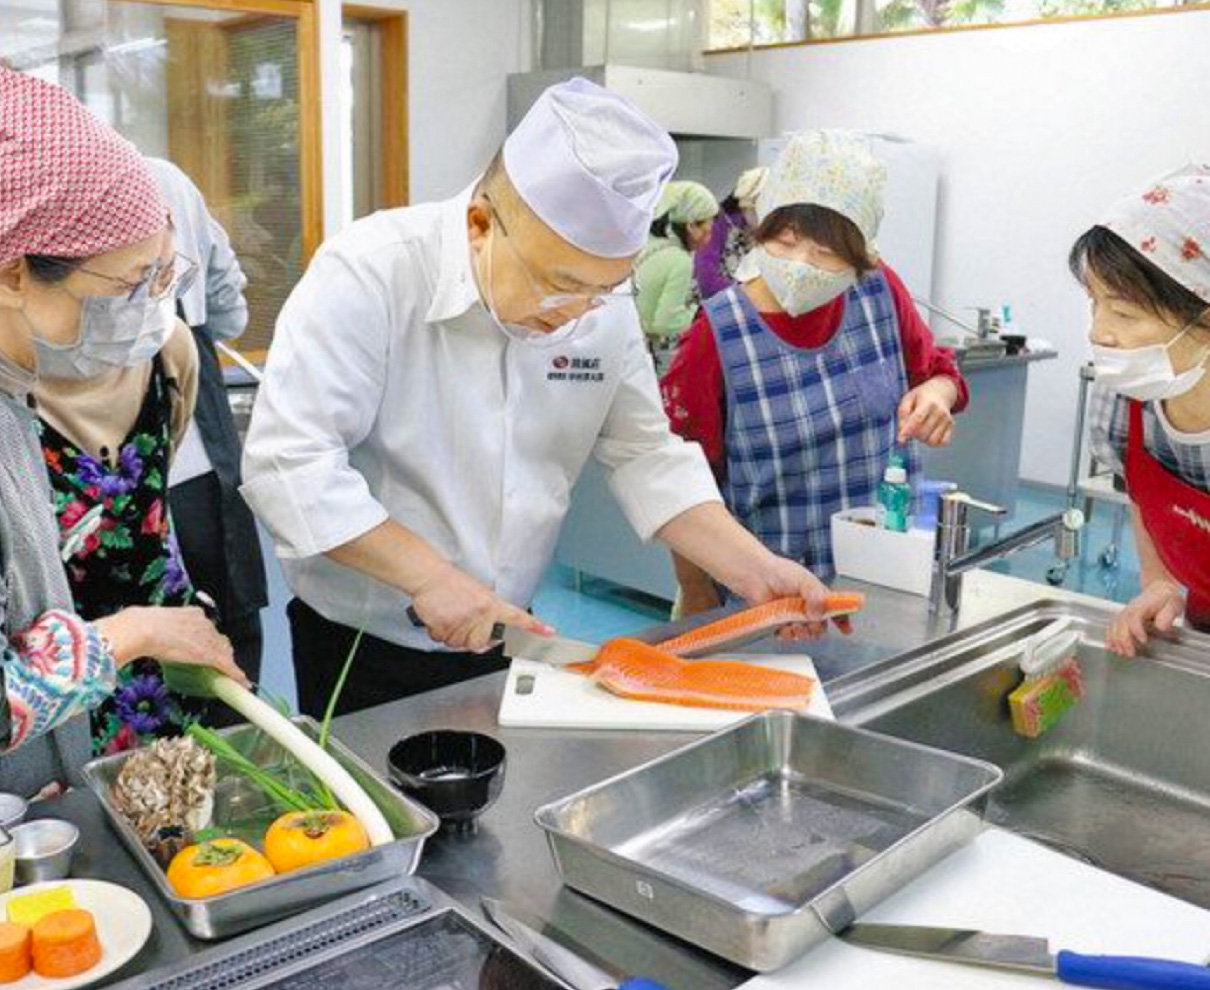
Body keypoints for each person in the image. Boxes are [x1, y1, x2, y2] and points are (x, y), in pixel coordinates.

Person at [242, 78, 841, 719]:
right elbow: (290, 464)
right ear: (480, 225)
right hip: (363, 642)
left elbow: (645, 454)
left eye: (602, 290)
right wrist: (428, 576)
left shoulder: (600, 305)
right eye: (559, 283)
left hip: (506, 629)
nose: (576, 313)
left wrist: (756, 569)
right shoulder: (372, 272)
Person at [0, 68, 242, 792]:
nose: (148, 311)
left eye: (163, 276)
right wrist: (134, 632)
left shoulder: (18, 392)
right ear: (13, 275)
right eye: (130, 285)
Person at [661, 131, 968, 615]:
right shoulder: (717, 335)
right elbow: (682, 480)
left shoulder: (878, 291)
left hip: (885, 575)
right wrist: (696, 590)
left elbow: (937, 371)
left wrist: (937, 393)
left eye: (826, 253)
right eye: (785, 241)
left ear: (861, 255)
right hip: (771, 597)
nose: (802, 265)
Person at [1077, 164, 1210, 656]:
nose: (1098, 332)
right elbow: (1139, 490)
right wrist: (1160, 583)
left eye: (1124, 313)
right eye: (1094, 303)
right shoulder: (1127, 400)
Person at [150, 159, 269, 693]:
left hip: (121, 480)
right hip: (193, 468)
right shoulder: (162, 176)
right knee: (225, 649)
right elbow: (229, 308)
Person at [634, 180, 719, 373]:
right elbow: (665, 323)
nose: (708, 240)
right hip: (651, 354)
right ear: (691, 226)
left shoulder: (646, 243)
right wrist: (698, 314)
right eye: (707, 231)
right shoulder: (680, 260)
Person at [693, 166, 768, 300]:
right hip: (709, 302)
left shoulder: (750, 226)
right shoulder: (716, 223)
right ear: (747, 204)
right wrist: (748, 296)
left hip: (737, 297)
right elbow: (707, 278)